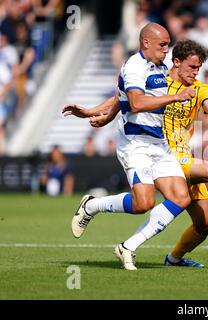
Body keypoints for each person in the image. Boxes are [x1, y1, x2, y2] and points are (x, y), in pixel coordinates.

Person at [64, 39, 208, 268]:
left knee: (205, 225)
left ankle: (173, 259)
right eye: (192, 67)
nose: (196, 72)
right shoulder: (159, 81)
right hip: (161, 152)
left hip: (183, 157)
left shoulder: (199, 89)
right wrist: (93, 112)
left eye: (199, 68)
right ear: (176, 62)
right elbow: (122, 98)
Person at [65, 23, 197, 271]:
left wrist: (100, 112)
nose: (167, 49)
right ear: (145, 42)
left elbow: (121, 95)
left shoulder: (159, 66)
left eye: (168, 44)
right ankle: (91, 205)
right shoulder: (135, 66)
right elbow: (135, 102)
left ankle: (128, 247)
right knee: (143, 204)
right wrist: (175, 96)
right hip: (135, 144)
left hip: (159, 143)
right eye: (162, 44)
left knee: (181, 198)